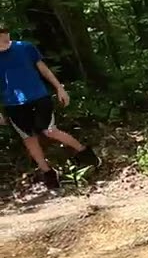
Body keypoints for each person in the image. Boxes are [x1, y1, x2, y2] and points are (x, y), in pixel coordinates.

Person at [0, 24, 100, 190]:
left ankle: (84, 153)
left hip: (39, 97)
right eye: (1, 33)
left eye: (5, 31)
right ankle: (48, 173)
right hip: (13, 104)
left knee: (49, 130)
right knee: (29, 138)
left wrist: (60, 88)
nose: (5, 35)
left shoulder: (25, 47)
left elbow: (44, 70)